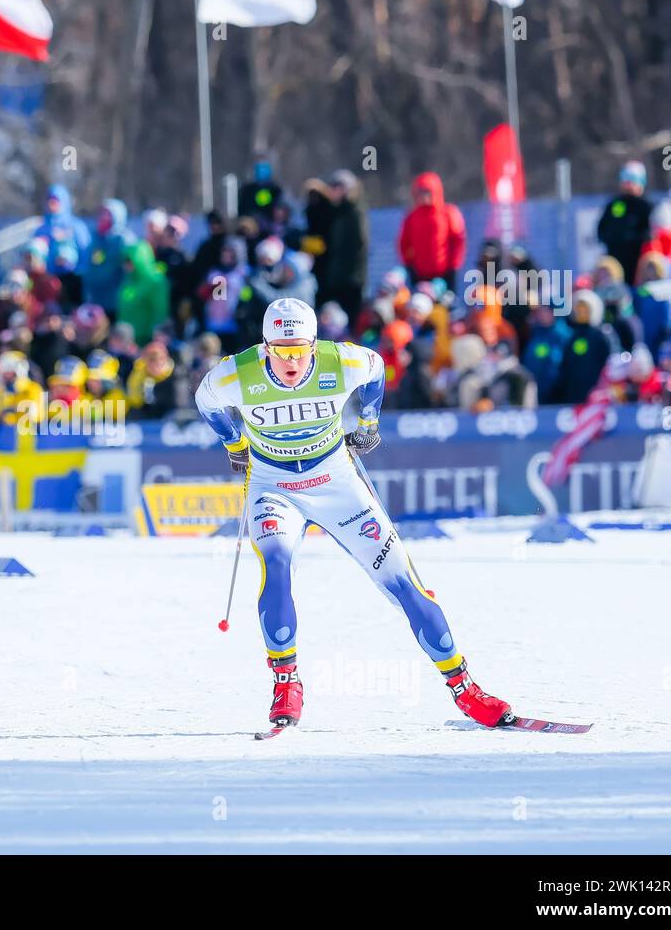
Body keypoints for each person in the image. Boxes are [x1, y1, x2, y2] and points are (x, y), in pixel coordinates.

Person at [195, 298, 511, 730]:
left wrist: (368, 422)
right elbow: (205, 399)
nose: (291, 361)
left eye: (300, 349)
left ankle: (465, 688)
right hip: (274, 487)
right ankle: (286, 683)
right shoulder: (237, 372)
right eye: (280, 351)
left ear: (314, 344)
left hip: (336, 483)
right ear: (265, 346)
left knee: (404, 583)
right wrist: (235, 444)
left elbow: (378, 368)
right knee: (277, 564)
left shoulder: (340, 360)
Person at [397, 172, 466, 286]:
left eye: (427, 191)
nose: (423, 196)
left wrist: (453, 266)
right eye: (420, 192)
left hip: (444, 274)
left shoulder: (448, 213)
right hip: (420, 274)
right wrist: (409, 265)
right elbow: (404, 243)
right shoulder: (412, 217)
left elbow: (458, 240)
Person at [319, 170, 369, 324]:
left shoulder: (354, 211)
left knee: (350, 316)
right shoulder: (337, 210)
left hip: (351, 277)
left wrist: (348, 272)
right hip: (337, 275)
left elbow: (359, 244)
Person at [597, 161, 654, 284]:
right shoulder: (615, 204)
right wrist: (610, 239)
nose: (628, 184)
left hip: (637, 263)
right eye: (625, 179)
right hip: (616, 260)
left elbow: (649, 235)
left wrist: (631, 240)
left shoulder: (646, 206)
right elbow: (602, 227)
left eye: (632, 179)